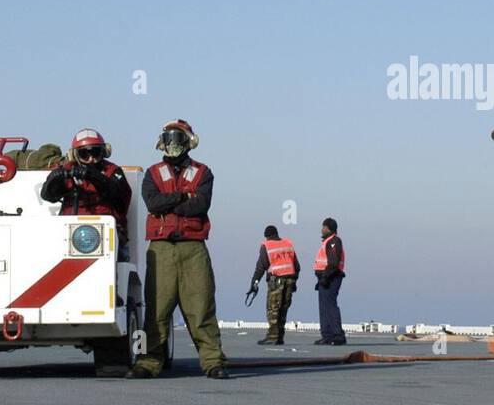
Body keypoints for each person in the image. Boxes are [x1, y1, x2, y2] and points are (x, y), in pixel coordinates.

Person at [128, 120, 229, 380]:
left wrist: (170, 202)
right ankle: (149, 362)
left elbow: (200, 206)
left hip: (193, 247)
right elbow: (153, 202)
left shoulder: (203, 172)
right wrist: (183, 197)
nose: (173, 143)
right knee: (157, 309)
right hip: (161, 249)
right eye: (169, 137)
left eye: (178, 137)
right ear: (162, 141)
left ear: (189, 141)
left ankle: (212, 362)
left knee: (201, 306)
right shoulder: (152, 173)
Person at [41, 128, 133, 260]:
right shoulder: (68, 170)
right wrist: (53, 180)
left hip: (105, 235)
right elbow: (47, 196)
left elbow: (119, 198)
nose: (91, 159)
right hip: (70, 235)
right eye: (85, 154)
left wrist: (93, 176)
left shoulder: (112, 171)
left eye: (95, 153)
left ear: (104, 152)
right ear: (75, 155)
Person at [250, 225, 300, 345]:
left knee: (273, 309)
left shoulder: (267, 246)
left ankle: (272, 337)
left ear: (266, 236)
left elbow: (261, 266)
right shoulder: (288, 244)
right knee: (283, 308)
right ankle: (280, 337)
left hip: (277, 281)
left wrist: (254, 282)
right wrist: (294, 281)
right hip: (290, 280)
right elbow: (297, 266)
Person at [313, 218, 347, 345]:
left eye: (323, 227)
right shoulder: (328, 241)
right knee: (324, 307)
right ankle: (327, 335)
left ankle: (338, 335)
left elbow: (333, 262)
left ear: (329, 228)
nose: (322, 229)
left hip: (331, 278)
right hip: (325, 278)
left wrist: (325, 278)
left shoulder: (334, 241)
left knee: (330, 306)